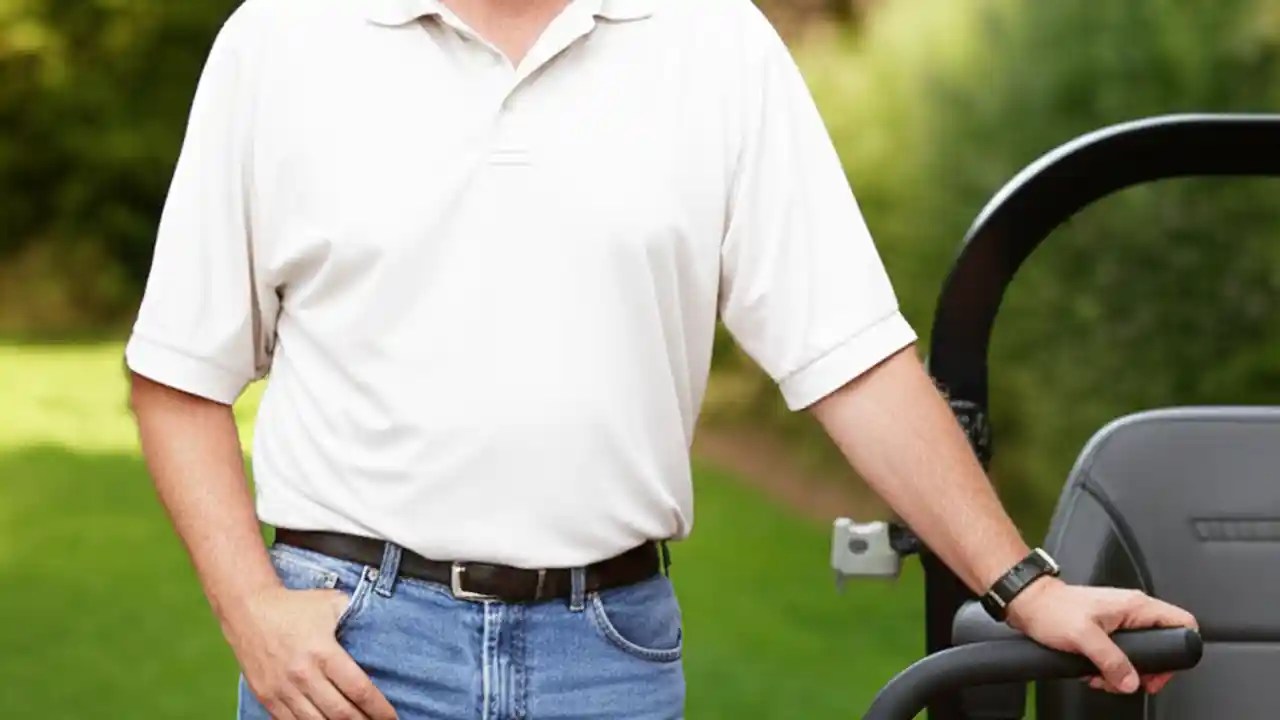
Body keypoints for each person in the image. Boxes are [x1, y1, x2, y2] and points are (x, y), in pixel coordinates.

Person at [124, 0, 1198, 718]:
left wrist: (1023, 587)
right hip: (352, 654)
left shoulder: (713, 41)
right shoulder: (282, 39)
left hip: (606, 659)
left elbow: (852, 358)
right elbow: (177, 375)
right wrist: (250, 608)